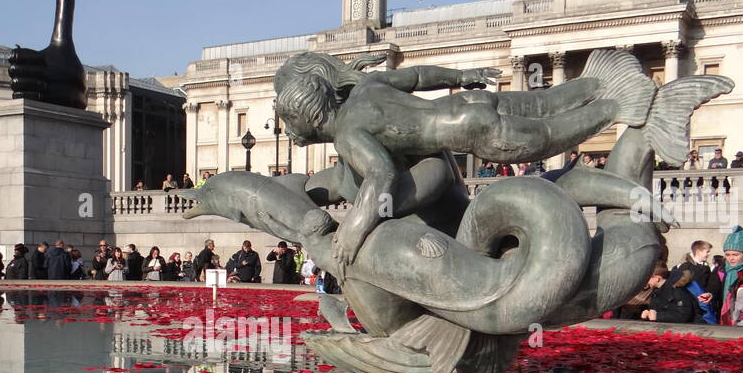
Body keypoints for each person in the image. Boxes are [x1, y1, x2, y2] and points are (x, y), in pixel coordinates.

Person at [273, 47, 654, 265]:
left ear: (308, 119)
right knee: (543, 102)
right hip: (469, 102)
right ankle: (597, 81)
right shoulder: (368, 87)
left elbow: (381, 175)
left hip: (474, 132)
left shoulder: (348, 135)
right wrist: (462, 74)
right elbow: (419, 76)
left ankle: (618, 107)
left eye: (291, 126)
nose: (290, 135)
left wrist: (354, 229)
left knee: (549, 135)